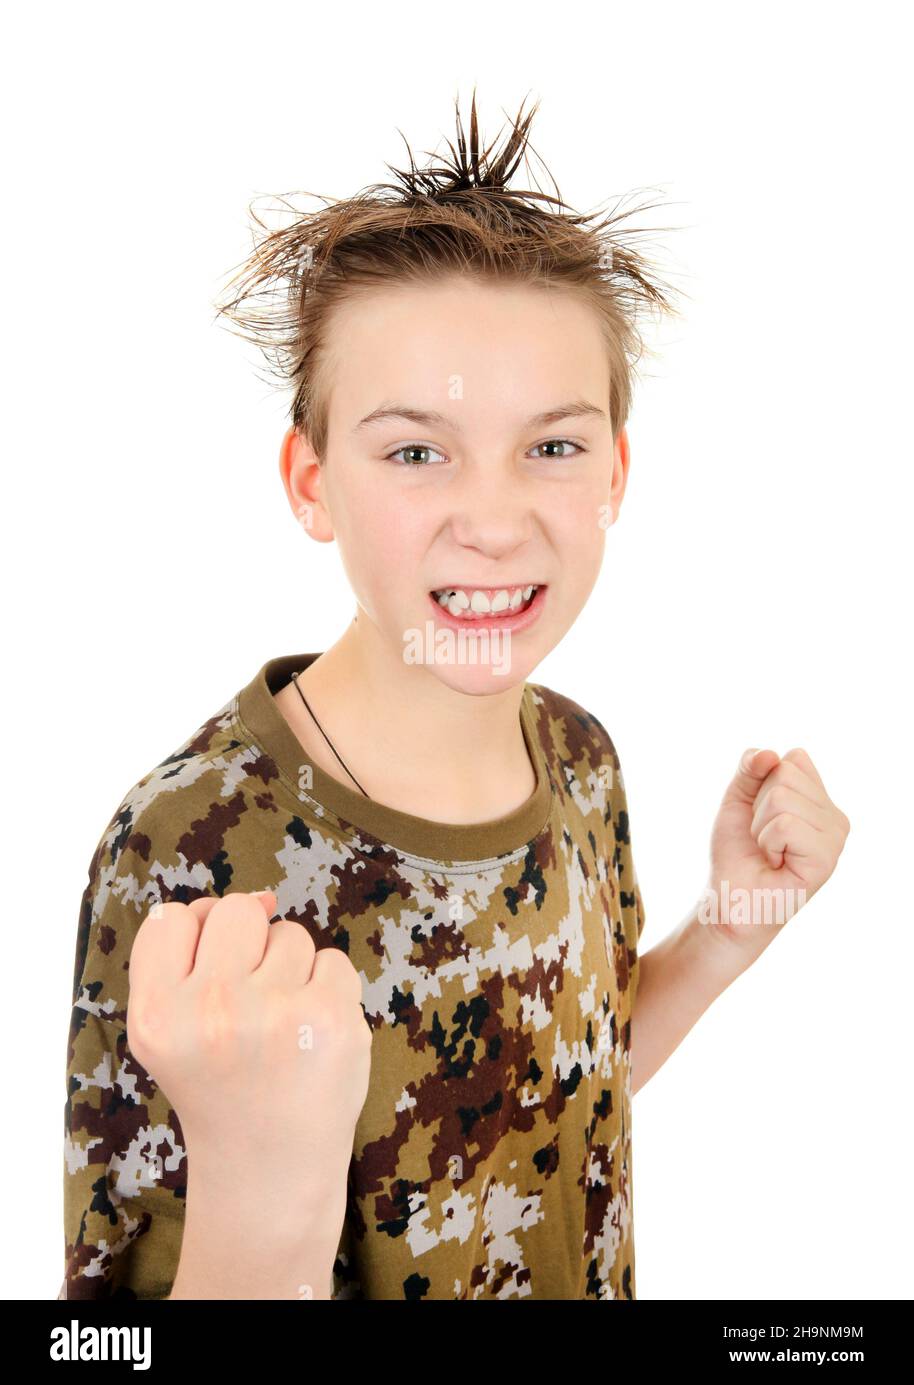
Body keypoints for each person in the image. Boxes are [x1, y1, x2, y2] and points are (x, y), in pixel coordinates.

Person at [62, 90, 850, 1301]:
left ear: (615, 476)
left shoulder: (579, 755)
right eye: (416, 450)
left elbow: (543, 1098)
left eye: (551, 445)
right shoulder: (189, 850)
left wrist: (731, 923)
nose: (493, 520)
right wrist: (263, 1192)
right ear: (311, 481)